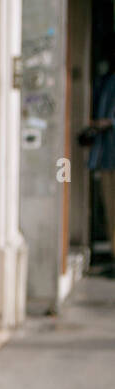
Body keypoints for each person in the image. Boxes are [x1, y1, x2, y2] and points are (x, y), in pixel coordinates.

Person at [88, 59, 115, 272]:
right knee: (110, 208)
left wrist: (106, 123)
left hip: (109, 154)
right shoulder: (105, 81)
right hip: (107, 157)